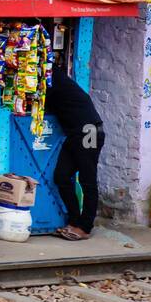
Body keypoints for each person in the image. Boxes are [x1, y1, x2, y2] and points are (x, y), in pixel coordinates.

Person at [47, 64, 104, 241]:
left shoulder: (52, 80)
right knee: (61, 176)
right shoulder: (55, 79)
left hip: (89, 131)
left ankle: (85, 227)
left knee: (88, 181)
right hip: (76, 133)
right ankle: (73, 221)